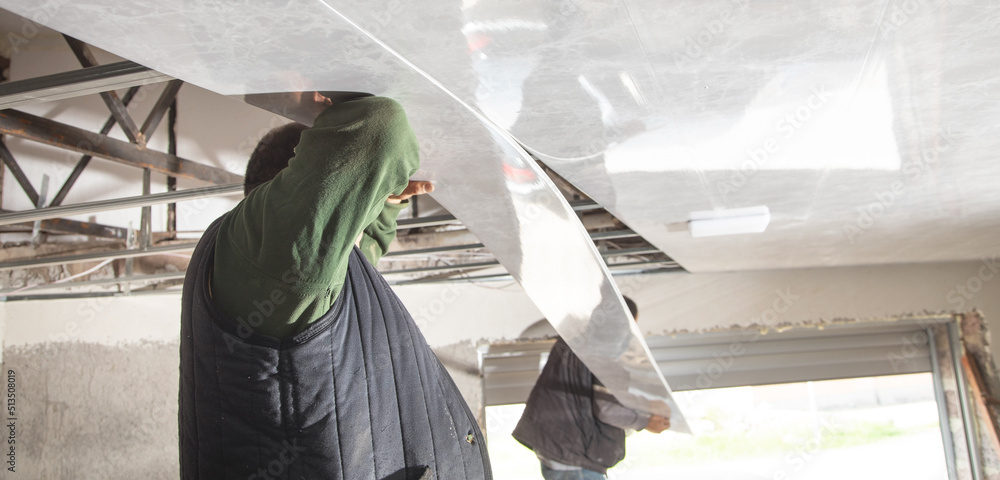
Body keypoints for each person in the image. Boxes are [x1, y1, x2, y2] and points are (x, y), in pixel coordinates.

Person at [179, 93, 491, 480]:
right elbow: (378, 129)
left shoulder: (285, 272)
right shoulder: (270, 253)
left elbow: (359, 262)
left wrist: (383, 199)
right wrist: (337, 88)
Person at [512, 297, 670, 480]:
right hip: (573, 459)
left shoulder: (576, 342)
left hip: (556, 450)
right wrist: (645, 421)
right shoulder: (604, 351)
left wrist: (647, 405)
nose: (630, 335)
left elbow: (597, 394)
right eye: (631, 327)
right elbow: (606, 409)